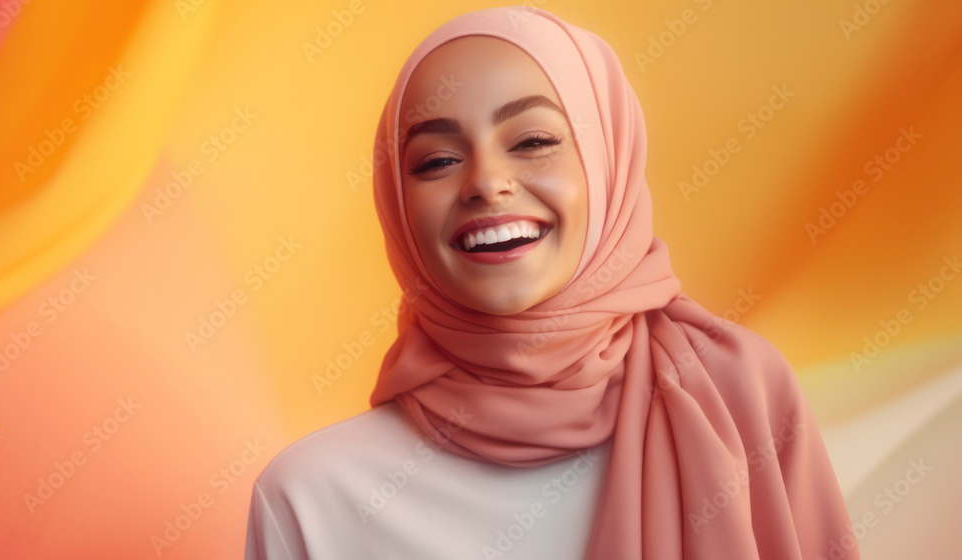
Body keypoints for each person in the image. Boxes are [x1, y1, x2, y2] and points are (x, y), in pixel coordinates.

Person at [245, 6, 860, 559]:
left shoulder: (738, 393)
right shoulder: (311, 498)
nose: (486, 182)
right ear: (396, 204)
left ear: (610, 164)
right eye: (437, 160)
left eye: (533, 141)